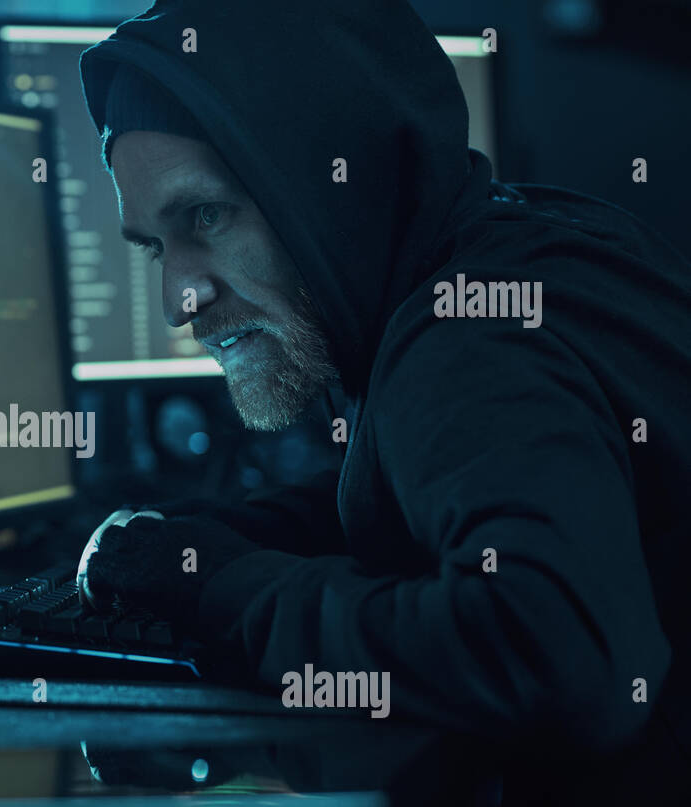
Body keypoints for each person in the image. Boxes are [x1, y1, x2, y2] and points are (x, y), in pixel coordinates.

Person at [74, 0, 691, 758]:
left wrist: (228, 594)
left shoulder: (466, 342)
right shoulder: (524, 242)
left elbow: (557, 658)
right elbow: (450, 491)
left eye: (205, 217)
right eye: (152, 249)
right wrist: (255, 535)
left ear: (329, 186)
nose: (179, 299)